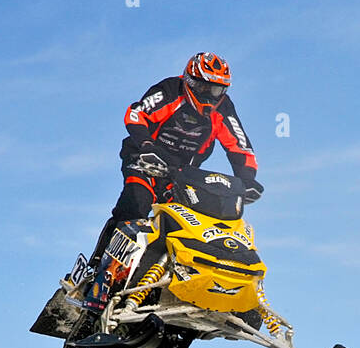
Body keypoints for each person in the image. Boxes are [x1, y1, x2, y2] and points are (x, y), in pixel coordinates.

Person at [78, 52, 263, 310]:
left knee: (186, 223)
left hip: (182, 173)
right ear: (190, 80)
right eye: (205, 87)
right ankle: (98, 273)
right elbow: (136, 114)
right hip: (144, 159)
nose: (211, 95)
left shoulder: (223, 107)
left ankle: (179, 284)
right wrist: (145, 144)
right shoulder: (169, 91)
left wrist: (247, 179)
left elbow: (239, 144)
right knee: (136, 205)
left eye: (217, 89)